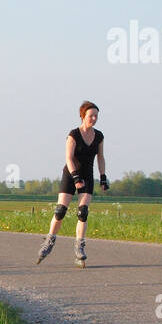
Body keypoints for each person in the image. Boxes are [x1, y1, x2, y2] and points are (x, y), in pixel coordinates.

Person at [37, 101, 108, 267]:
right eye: (91, 115)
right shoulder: (73, 135)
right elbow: (68, 158)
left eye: (96, 116)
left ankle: (79, 247)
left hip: (88, 175)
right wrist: (75, 177)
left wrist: (103, 177)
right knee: (61, 210)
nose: (94, 118)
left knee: (83, 212)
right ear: (83, 116)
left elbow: (100, 157)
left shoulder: (99, 136)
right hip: (71, 174)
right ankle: (49, 240)